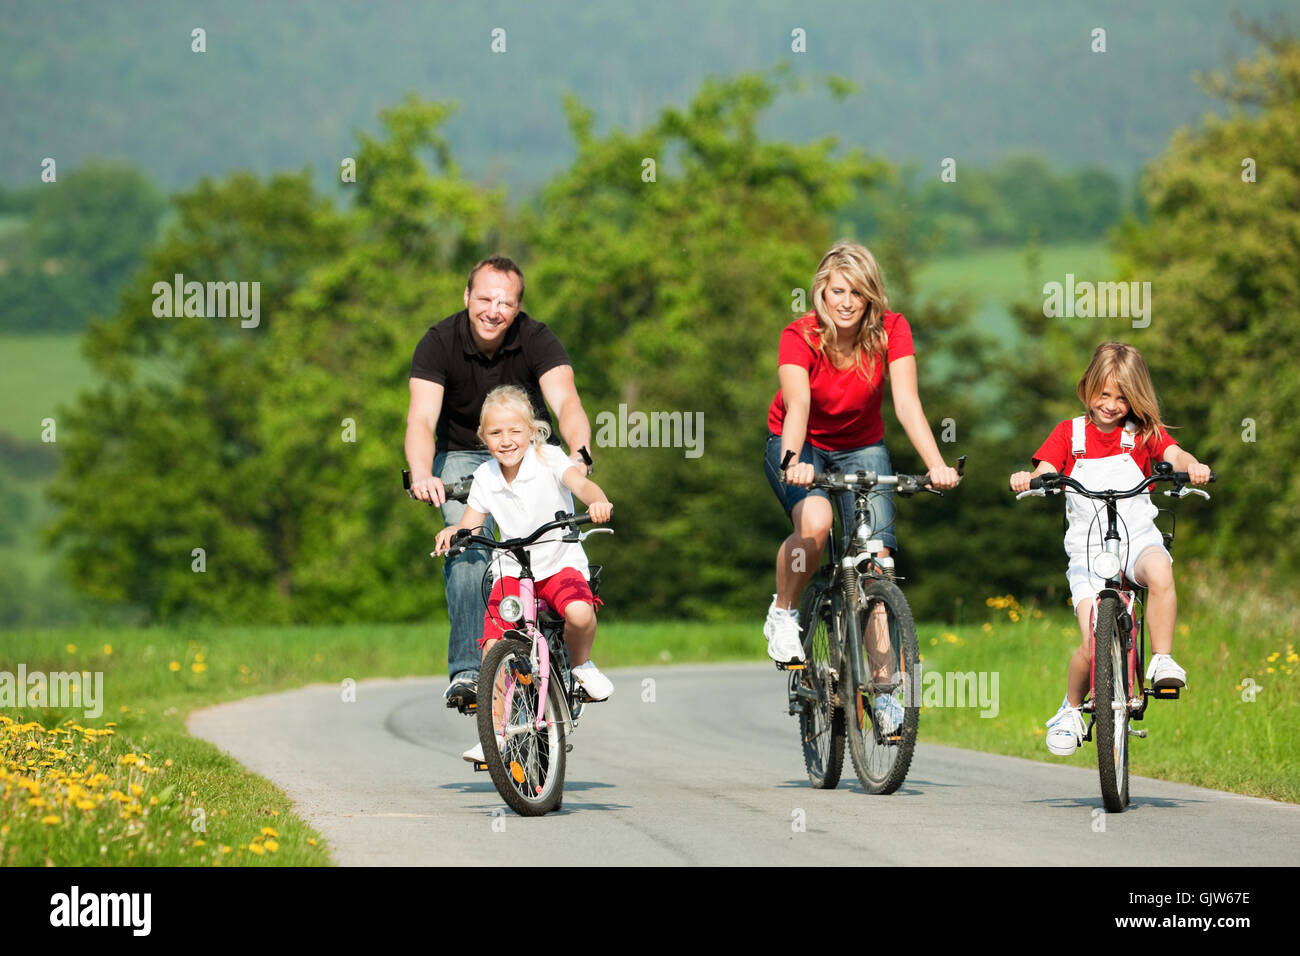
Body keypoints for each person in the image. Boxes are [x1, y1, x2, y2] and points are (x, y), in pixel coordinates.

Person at [763, 240, 960, 731]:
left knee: (877, 567)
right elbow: (798, 406)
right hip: (798, 444)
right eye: (837, 292)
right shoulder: (799, 335)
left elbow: (908, 403)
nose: (847, 302)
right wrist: (792, 461)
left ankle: (884, 691)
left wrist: (936, 465)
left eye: (858, 292)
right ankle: (784, 613)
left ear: (872, 296)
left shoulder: (892, 330)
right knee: (817, 520)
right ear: (821, 293)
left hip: (863, 447)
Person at [406, 256, 594, 712]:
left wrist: (580, 452)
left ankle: (566, 652)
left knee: (548, 539)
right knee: (469, 547)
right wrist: (422, 472)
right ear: (467, 297)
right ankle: (470, 671)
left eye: (505, 303)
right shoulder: (438, 342)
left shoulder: (537, 339)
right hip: (461, 454)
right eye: (485, 298)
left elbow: (566, 400)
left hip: (528, 448)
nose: (494, 310)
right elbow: (421, 419)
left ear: (518, 308)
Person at [1009, 341, 1212, 756]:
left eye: (1122, 397)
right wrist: (1033, 478)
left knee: (1160, 572)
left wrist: (1190, 466)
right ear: (1087, 388)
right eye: (1103, 394)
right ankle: (1070, 708)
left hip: (1136, 538)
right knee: (1091, 640)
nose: (1111, 405)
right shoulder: (1070, 433)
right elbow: (1047, 467)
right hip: (1088, 554)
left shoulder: (1143, 435)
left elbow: (1173, 453)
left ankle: (1163, 660)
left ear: (1136, 399)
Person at [434, 386, 614, 763]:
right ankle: (494, 733)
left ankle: (581, 666)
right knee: (492, 646)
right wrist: (455, 533)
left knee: (579, 613)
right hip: (514, 567)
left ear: (532, 431)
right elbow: (472, 522)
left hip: (558, 561)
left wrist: (595, 499)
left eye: (515, 431)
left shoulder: (548, 458)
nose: (506, 440)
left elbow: (579, 483)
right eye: (496, 433)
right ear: (483, 438)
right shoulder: (484, 475)